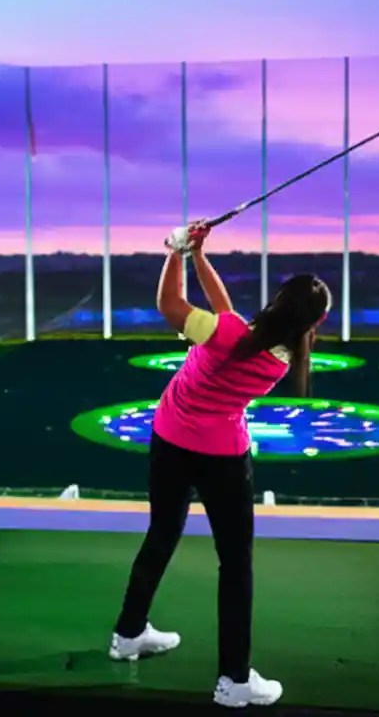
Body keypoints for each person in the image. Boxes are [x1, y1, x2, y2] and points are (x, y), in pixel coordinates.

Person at [109, 221, 331, 709]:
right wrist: (199, 256)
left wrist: (175, 251)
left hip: (170, 440)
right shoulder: (282, 357)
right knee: (235, 564)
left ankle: (127, 634)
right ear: (312, 324)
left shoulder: (228, 333)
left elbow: (170, 305)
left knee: (161, 535)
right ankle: (233, 679)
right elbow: (228, 317)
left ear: (278, 301)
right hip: (222, 460)